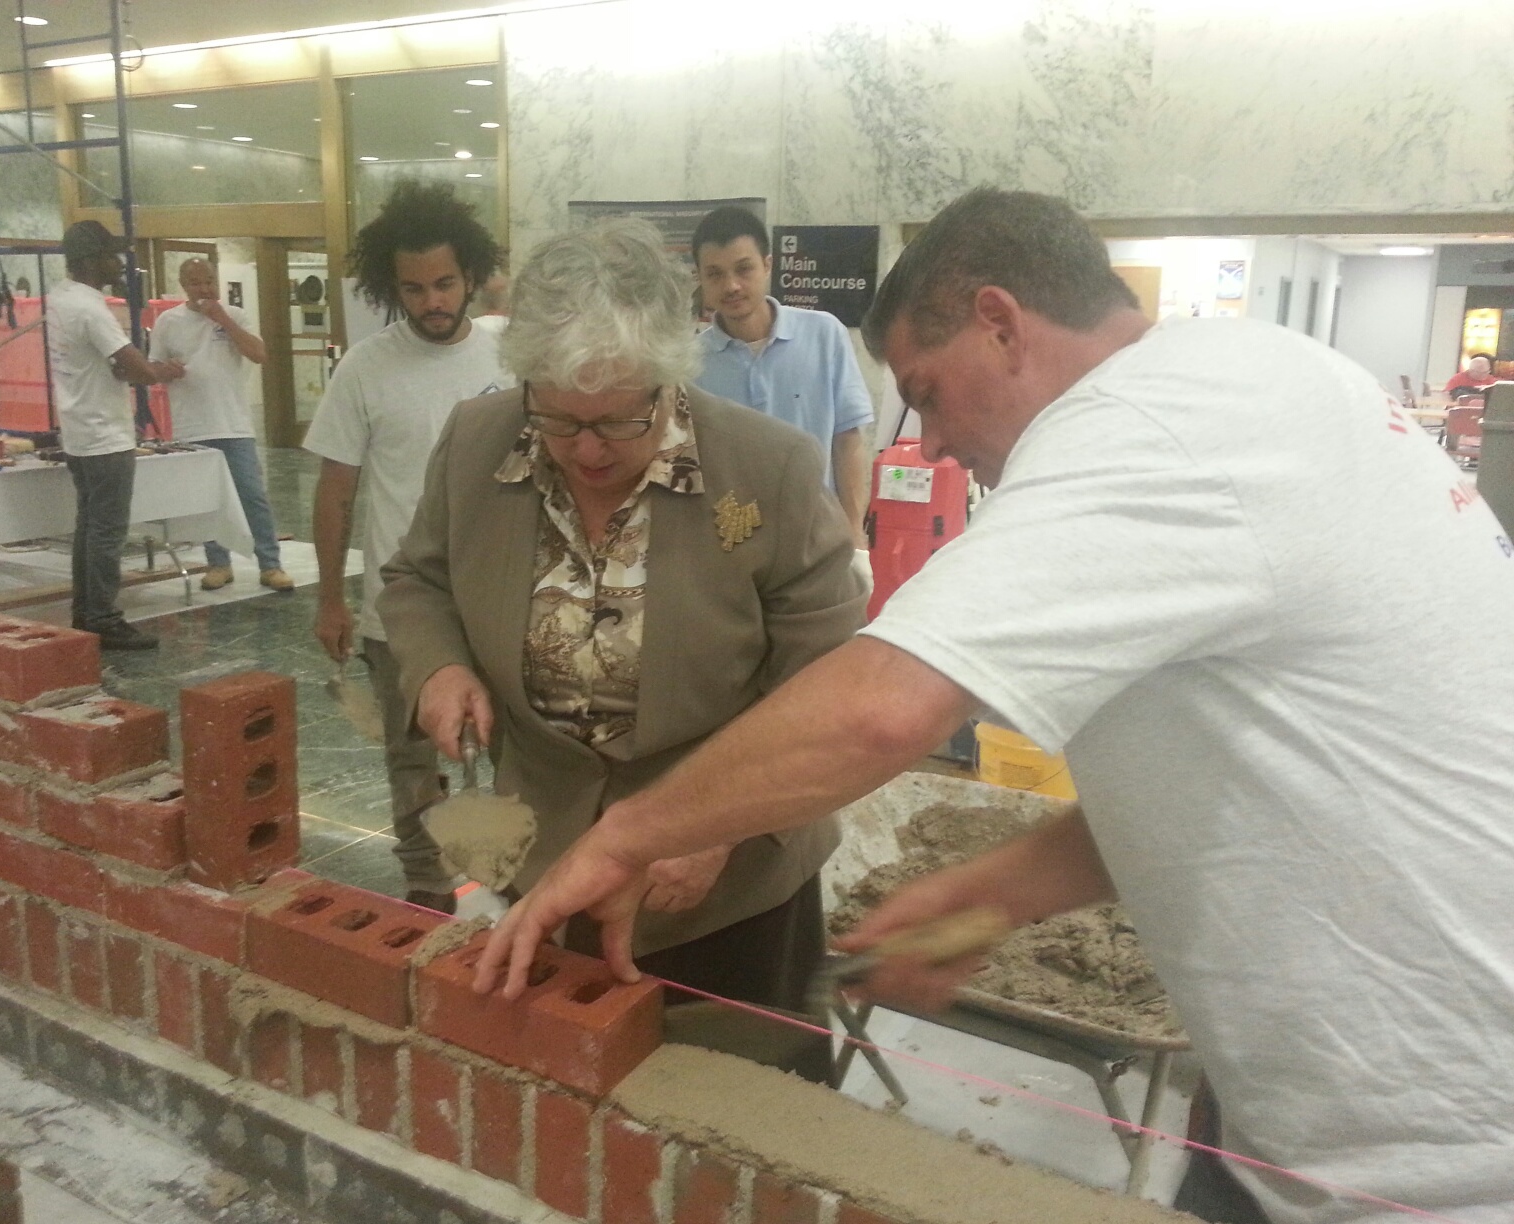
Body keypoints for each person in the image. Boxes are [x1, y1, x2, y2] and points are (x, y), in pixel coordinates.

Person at [478, 189, 1514, 1224]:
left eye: (926, 394)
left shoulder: (1152, 426)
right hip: (1290, 1138)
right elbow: (1244, 773)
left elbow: (882, 707)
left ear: (1001, 323)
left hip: (1442, 1166)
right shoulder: (1258, 381)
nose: (925, 445)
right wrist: (1000, 892)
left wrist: (625, 837)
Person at [376, 218, 864, 1041]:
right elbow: (417, 580)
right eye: (560, 421)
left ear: (671, 378)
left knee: (734, 1121)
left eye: (620, 422)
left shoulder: (766, 469)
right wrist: (437, 668)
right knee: (558, 1108)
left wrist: (718, 821)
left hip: (727, 894)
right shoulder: (476, 442)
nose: (587, 451)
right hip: (547, 857)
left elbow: (828, 683)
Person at [304, 181, 509, 913]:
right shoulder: (365, 367)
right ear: (392, 288)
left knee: (515, 748)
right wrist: (331, 598)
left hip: (500, 596)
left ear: (472, 275)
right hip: (398, 608)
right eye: (415, 288)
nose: (432, 302)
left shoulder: (508, 356)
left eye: (445, 283)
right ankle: (426, 890)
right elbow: (335, 491)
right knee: (412, 757)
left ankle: (516, 884)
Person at [690, 206, 874, 549]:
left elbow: (847, 438)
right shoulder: (689, 363)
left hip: (818, 536)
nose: (731, 285)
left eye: (744, 269)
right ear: (699, 278)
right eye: (715, 274)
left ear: (768, 265)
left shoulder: (824, 334)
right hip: (733, 547)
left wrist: (854, 531)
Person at [48, 220, 185, 651]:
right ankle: (104, 618)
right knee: (107, 532)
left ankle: (85, 611)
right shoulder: (91, 308)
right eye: (110, 255)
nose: (117, 263)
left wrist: (125, 367)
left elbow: (111, 363)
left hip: (78, 431)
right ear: (91, 260)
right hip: (106, 435)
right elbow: (138, 368)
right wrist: (166, 370)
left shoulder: (59, 299)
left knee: (89, 528)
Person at [149, 258, 292, 594]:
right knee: (209, 499)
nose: (205, 289)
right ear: (184, 285)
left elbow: (259, 354)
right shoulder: (168, 322)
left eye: (210, 281)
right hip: (193, 426)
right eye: (197, 283)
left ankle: (271, 565)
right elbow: (152, 369)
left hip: (235, 425)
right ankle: (218, 563)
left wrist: (222, 319)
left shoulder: (234, 316)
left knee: (252, 496)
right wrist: (165, 371)